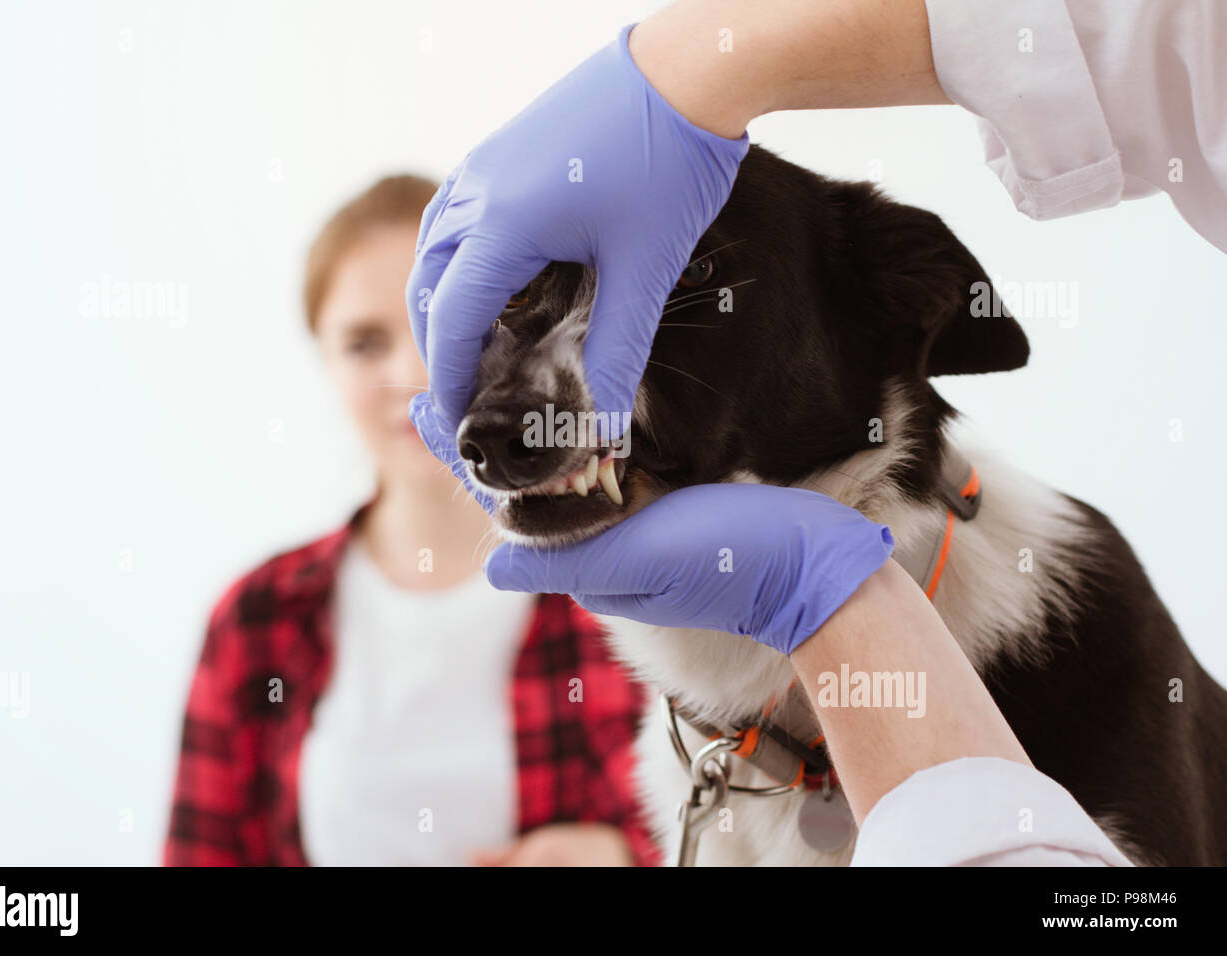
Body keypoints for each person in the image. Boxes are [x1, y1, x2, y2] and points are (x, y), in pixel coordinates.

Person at [406, 0, 1226, 866]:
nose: (511, 418)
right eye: (529, 296)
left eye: (692, 274)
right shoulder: (679, 754)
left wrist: (689, 68)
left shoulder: (1083, 656)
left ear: (870, 322)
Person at [163, 175, 658, 867]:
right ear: (326, 364)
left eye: (446, 325)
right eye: (366, 343)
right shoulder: (257, 620)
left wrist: (619, 856)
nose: (416, 374)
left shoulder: (629, 596)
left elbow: (734, 826)